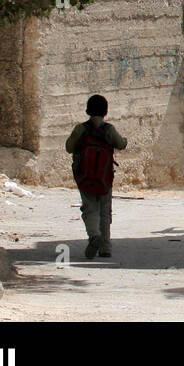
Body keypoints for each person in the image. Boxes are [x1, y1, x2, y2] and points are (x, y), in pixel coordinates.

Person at [65, 94, 128, 260]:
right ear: (105, 111)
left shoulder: (81, 129)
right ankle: (105, 247)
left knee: (90, 208)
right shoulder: (109, 130)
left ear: (88, 110)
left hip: (84, 177)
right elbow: (121, 144)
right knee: (105, 210)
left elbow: (69, 148)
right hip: (104, 177)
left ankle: (94, 236)